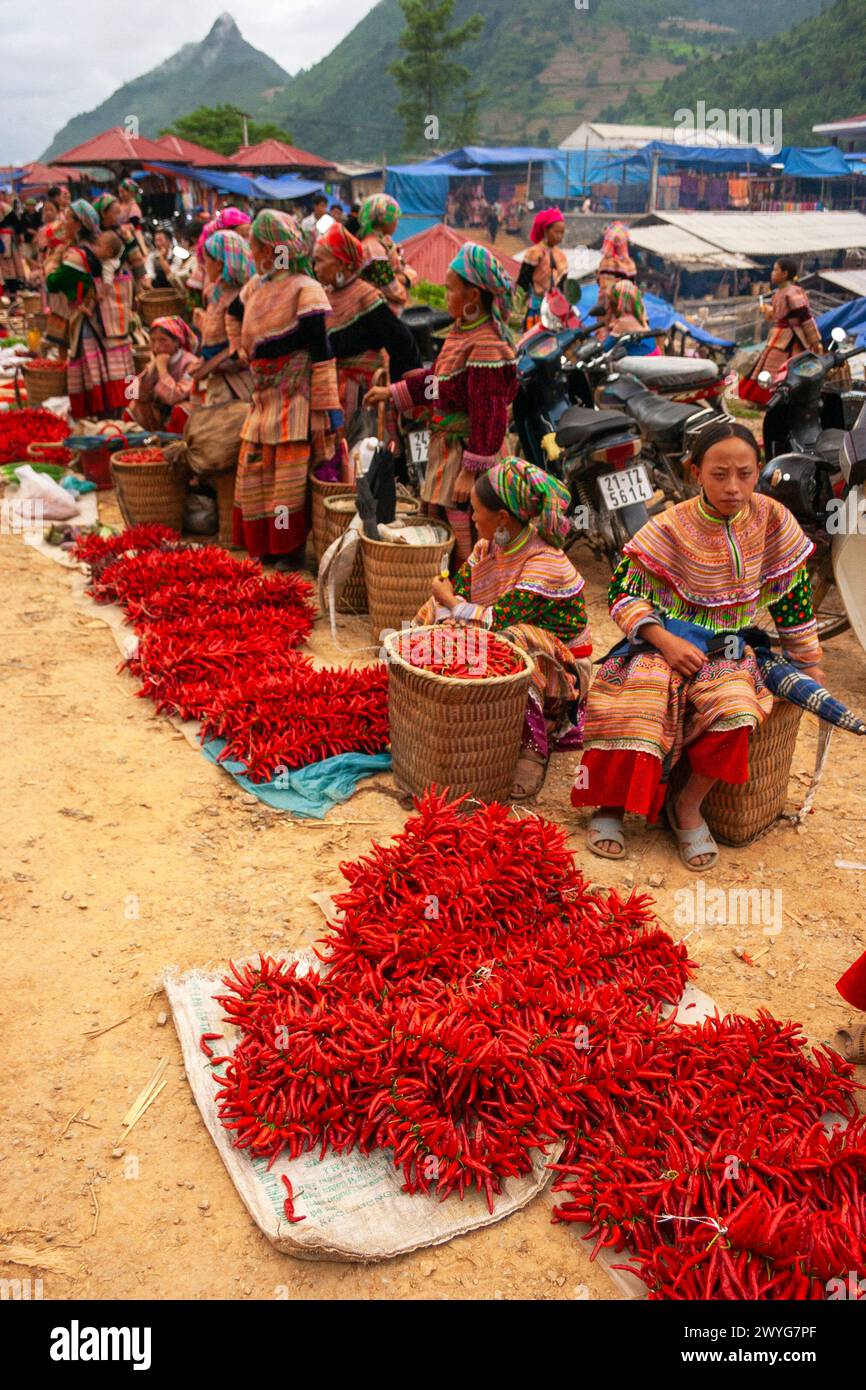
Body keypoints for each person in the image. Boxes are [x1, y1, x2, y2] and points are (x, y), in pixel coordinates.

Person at [571, 421, 825, 870]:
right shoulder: (670, 526)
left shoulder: (772, 520)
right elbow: (623, 593)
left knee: (736, 707)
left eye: (745, 474)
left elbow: (792, 597)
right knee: (636, 695)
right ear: (694, 473)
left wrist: (809, 663)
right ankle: (609, 804)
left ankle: (687, 805)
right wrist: (664, 641)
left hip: (729, 646)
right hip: (660, 639)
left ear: (759, 470)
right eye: (719, 474)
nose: (733, 487)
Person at [415, 457, 592, 799]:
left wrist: (452, 601)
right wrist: (447, 599)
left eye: (476, 510)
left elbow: (501, 620)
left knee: (514, 638)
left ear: (502, 518)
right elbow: (461, 589)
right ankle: (435, 697)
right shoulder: (487, 547)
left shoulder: (545, 562)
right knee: (437, 609)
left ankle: (534, 744)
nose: (471, 517)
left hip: (559, 667)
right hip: (506, 643)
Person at [365, 242, 517, 566]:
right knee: (447, 526)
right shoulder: (461, 333)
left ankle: (471, 598)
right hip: (448, 452)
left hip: (469, 457)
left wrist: (470, 472)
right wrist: (392, 392)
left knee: (470, 531)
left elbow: (488, 414)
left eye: (450, 290)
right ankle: (453, 599)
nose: (446, 296)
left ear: (473, 296)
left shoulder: (486, 345)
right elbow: (436, 381)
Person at [228, 209, 341, 562]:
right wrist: (240, 349)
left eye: (256, 247)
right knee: (256, 477)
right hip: (261, 403)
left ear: (273, 248)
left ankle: (287, 550)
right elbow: (232, 314)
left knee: (286, 486)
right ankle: (263, 546)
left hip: (293, 406)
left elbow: (321, 354)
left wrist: (326, 409)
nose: (252, 254)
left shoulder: (305, 290)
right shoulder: (255, 287)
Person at [312, 221, 420, 458]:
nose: (315, 268)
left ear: (341, 263)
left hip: (363, 394)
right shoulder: (325, 296)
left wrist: (403, 391)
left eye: (320, 261)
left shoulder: (366, 297)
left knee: (362, 458)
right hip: (335, 392)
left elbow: (402, 341)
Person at [46, 199, 133, 419]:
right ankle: (117, 417)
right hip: (108, 322)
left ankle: (101, 419)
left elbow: (54, 283)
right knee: (113, 372)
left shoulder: (77, 255)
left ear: (79, 223)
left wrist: (52, 261)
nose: (64, 222)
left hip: (90, 324)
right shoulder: (97, 248)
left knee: (94, 374)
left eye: (69, 218)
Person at [739, 257, 823, 405]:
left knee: (784, 369)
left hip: (792, 338)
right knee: (769, 366)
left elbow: (805, 317)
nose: (772, 273)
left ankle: (782, 399)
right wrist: (767, 310)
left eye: (775, 270)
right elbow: (779, 315)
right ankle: (763, 399)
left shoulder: (793, 292)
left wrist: (815, 341)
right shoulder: (779, 292)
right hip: (778, 336)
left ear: (785, 273)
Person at [192, 229, 254, 405]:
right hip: (220, 379)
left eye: (207, 261)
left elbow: (244, 347)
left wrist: (214, 362)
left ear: (219, 264)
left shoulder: (241, 298)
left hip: (235, 386)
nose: (204, 266)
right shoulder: (217, 292)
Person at [128, 316, 197, 432]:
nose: (156, 346)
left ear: (176, 342)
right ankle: (145, 443)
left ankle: (175, 445)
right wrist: (151, 370)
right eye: (153, 340)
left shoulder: (190, 363)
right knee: (135, 407)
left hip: (187, 416)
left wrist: (162, 369)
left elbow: (174, 397)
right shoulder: (156, 360)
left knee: (181, 410)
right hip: (162, 413)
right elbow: (137, 394)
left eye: (163, 340)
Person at [358, 194, 415, 315]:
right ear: (385, 220)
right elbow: (388, 286)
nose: (397, 223)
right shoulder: (373, 249)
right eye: (395, 218)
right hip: (382, 313)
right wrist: (404, 285)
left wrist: (404, 277)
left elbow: (406, 270)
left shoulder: (384, 243)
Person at [518, 208, 568, 328]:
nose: (560, 236)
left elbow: (563, 284)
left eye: (562, 233)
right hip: (536, 305)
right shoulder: (534, 253)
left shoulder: (561, 256)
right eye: (557, 232)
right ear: (546, 231)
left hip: (555, 308)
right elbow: (523, 281)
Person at [599, 279, 660, 357]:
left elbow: (605, 347)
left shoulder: (624, 321)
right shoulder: (640, 315)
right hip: (652, 355)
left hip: (641, 361)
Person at [0, 196, 27, 294]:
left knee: (8, 264)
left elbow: (17, 223)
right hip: (6, 238)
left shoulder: (4, 207)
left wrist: (19, 234)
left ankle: (12, 289)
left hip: (6, 240)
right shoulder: (5, 207)